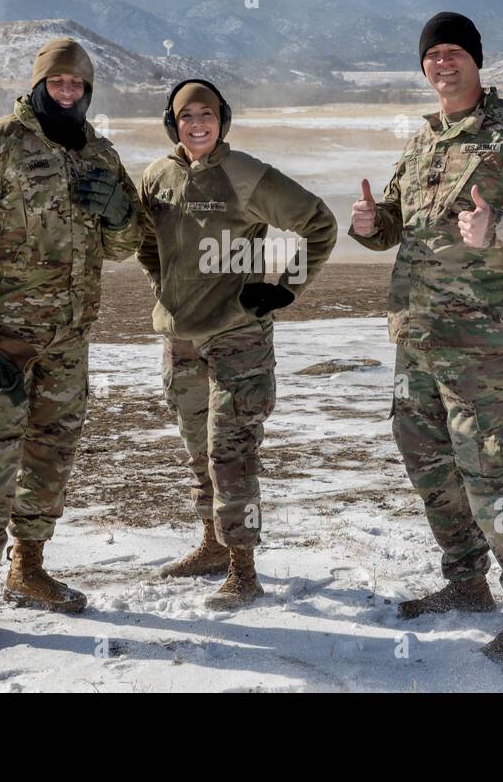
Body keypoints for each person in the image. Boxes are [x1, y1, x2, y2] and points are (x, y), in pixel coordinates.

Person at [350, 11, 503, 662]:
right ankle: (465, 582)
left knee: (497, 464)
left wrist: (502, 229)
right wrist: (371, 222)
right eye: (433, 55)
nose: (442, 63)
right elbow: (395, 224)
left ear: (477, 61)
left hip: (488, 338)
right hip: (420, 331)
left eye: (454, 52)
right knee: (425, 454)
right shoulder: (425, 140)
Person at [0, 37, 140, 650]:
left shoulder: (97, 152)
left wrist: (120, 210)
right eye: (58, 83)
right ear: (39, 84)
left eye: (77, 85)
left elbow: (125, 247)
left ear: (88, 91)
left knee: (50, 458)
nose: (67, 92)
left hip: (68, 341)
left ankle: (30, 569)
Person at [137, 79, 337, 609]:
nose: (196, 124)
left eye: (207, 114)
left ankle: (243, 570)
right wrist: (164, 287)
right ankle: (210, 546)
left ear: (222, 120)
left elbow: (319, 223)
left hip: (237, 339)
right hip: (180, 342)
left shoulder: (245, 174)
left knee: (233, 457)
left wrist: (282, 287)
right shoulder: (157, 176)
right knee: (199, 453)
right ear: (171, 124)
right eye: (185, 116)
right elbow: (144, 241)